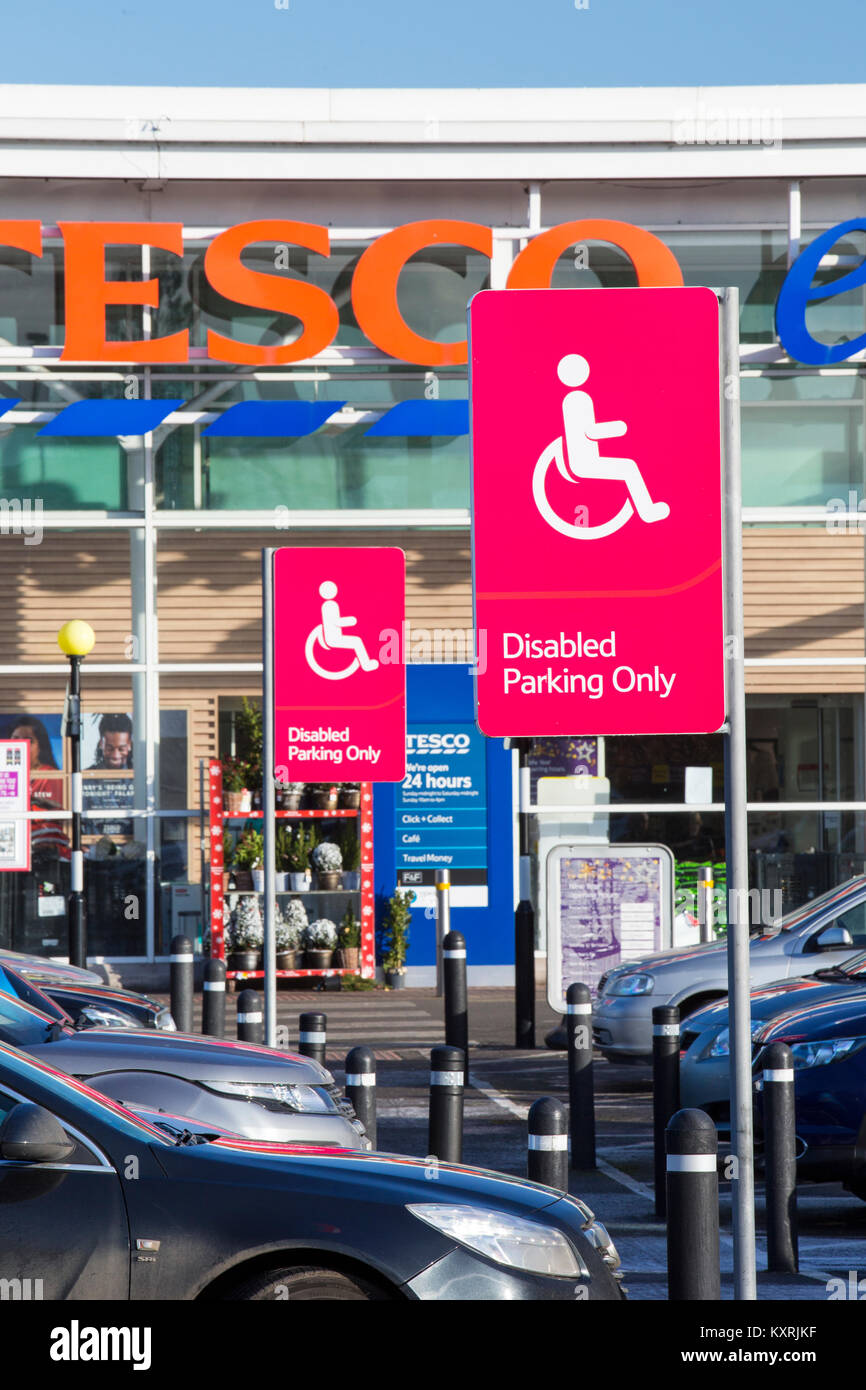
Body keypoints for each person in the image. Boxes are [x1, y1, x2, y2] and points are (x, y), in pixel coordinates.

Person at [557, 353, 670, 523]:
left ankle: (648, 510)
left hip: (589, 458)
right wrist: (616, 428)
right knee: (628, 467)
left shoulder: (575, 398)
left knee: (627, 466)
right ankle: (647, 512)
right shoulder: (578, 399)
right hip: (582, 464)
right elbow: (589, 433)